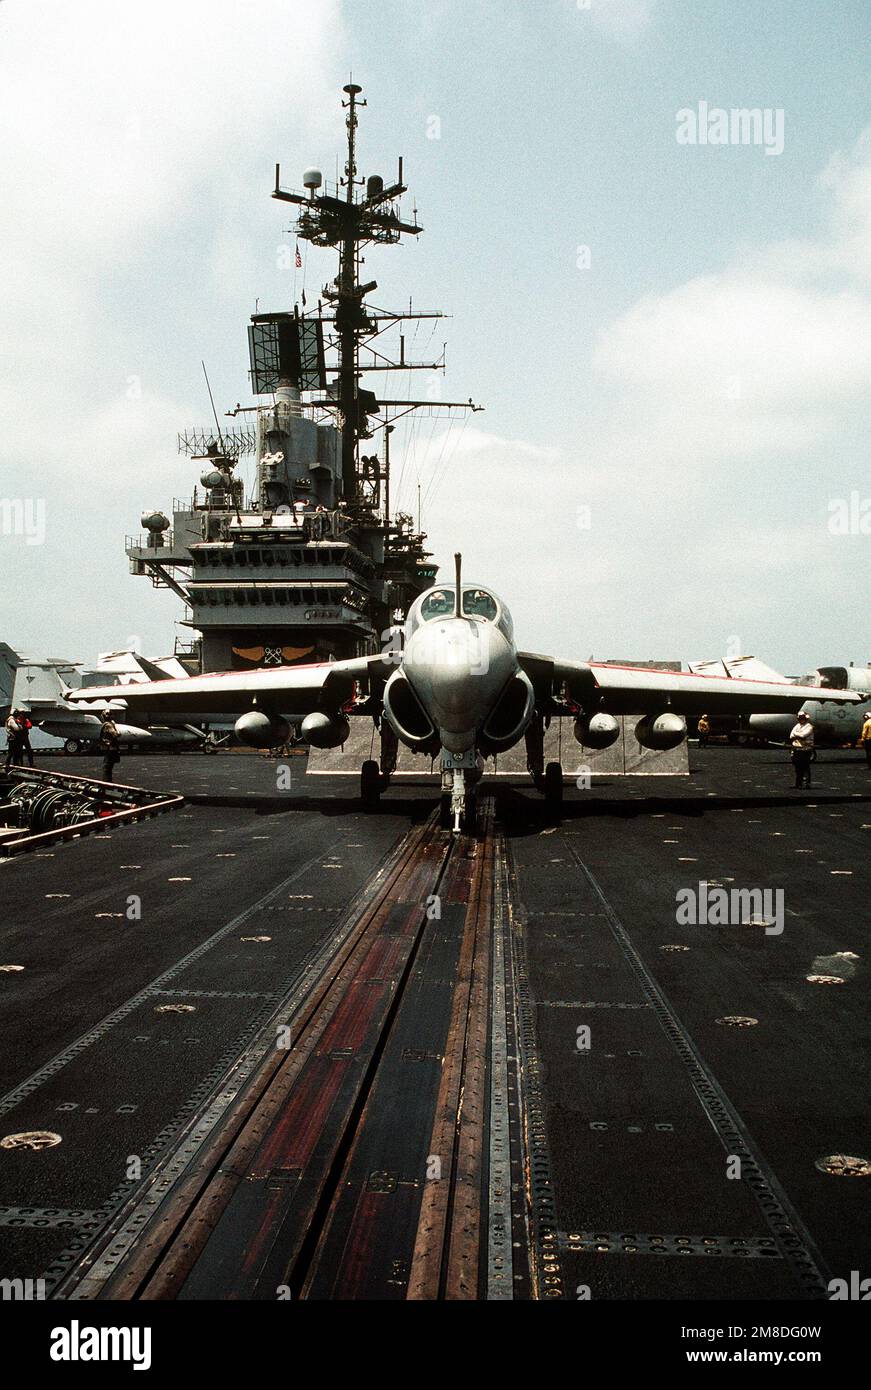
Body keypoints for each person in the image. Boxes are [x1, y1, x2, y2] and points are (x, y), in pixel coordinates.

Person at [789, 711, 814, 789]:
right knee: (797, 767)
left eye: (802, 718)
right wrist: (798, 735)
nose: (801, 719)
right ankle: (798, 783)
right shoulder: (797, 726)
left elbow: (803, 736)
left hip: (806, 749)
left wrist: (796, 735)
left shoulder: (809, 727)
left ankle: (807, 783)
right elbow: (791, 736)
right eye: (800, 718)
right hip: (797, 749)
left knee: (805, 766)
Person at [98, 708, 121, 782]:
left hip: (108, 749)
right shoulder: (108, 725)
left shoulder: (106, 725)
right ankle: (107, 782)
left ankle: (107, 782)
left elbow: (114, 734)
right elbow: (115, 735)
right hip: (110, 749)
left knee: (107, 766)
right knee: (108, 767)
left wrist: (114, 726)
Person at [4, 708, 26, 773]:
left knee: (15, 753)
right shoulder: (12, 720)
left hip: (14, 739)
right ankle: (8, 765)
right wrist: (20, 725)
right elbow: (17, 728)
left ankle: (14, 766)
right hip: (13, 739)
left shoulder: (12, 719)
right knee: (12, 753)